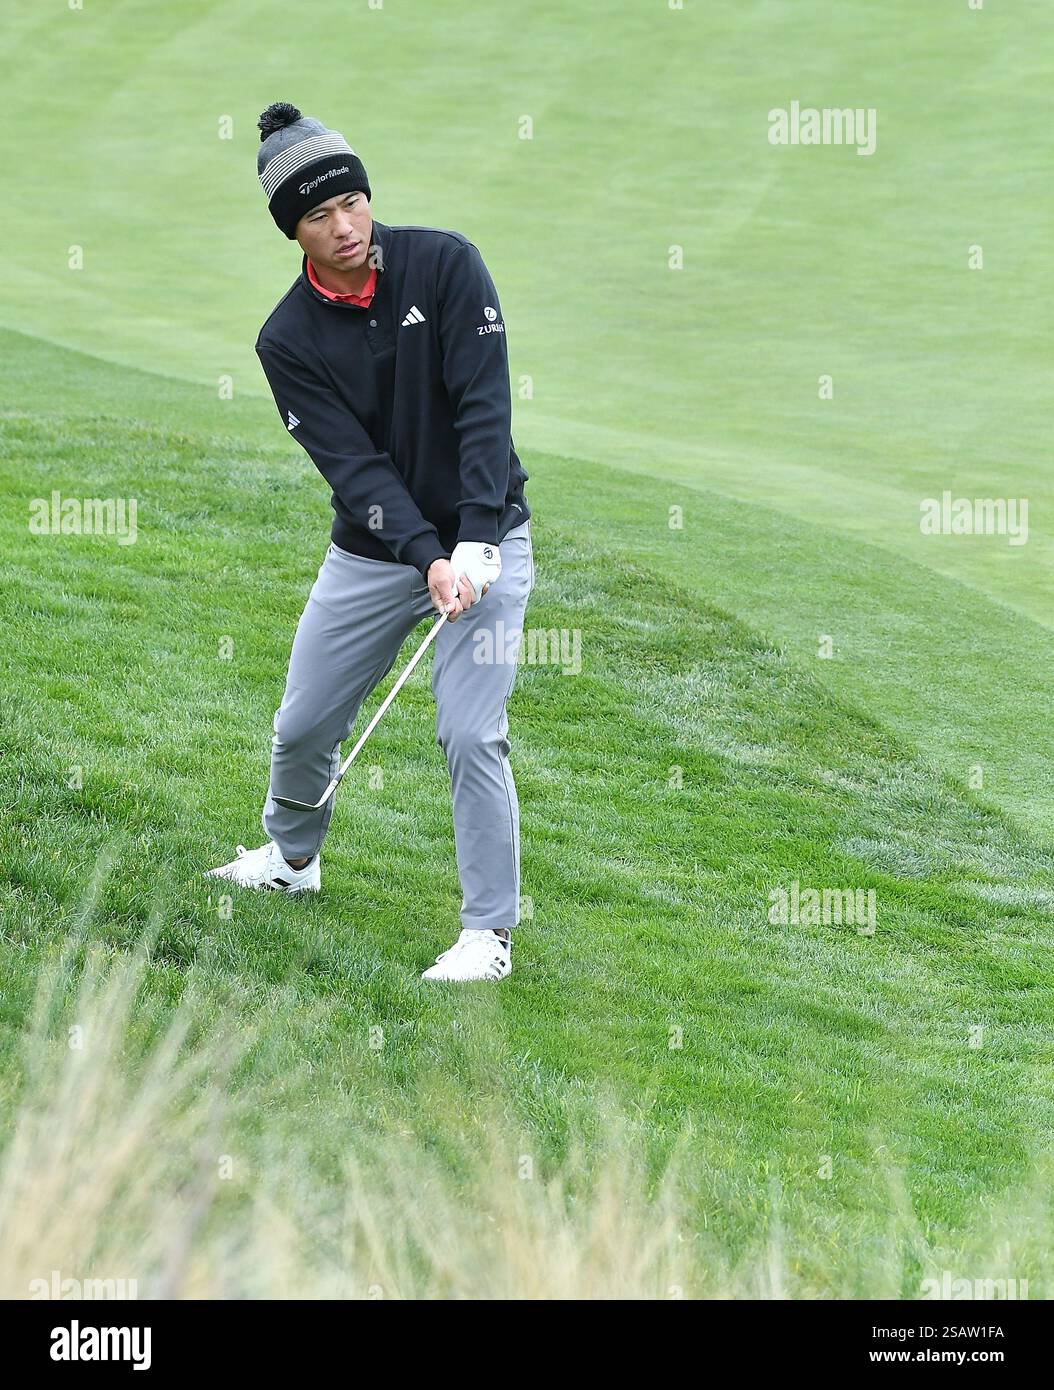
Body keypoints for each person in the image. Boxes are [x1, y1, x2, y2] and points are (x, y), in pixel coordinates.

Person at [207, 103, 534, 983]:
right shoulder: (286, 339)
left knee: (471, 733)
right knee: (305, 722)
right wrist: (427, 556)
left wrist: (475, 536)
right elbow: (356, 471)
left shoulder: (445, 263)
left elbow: (484, 408)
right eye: (319, 215)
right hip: (376, 552)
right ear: (293, 231)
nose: (344, 225)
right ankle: (290, 860)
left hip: (488, 540)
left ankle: (488, 935)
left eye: (351, 201)